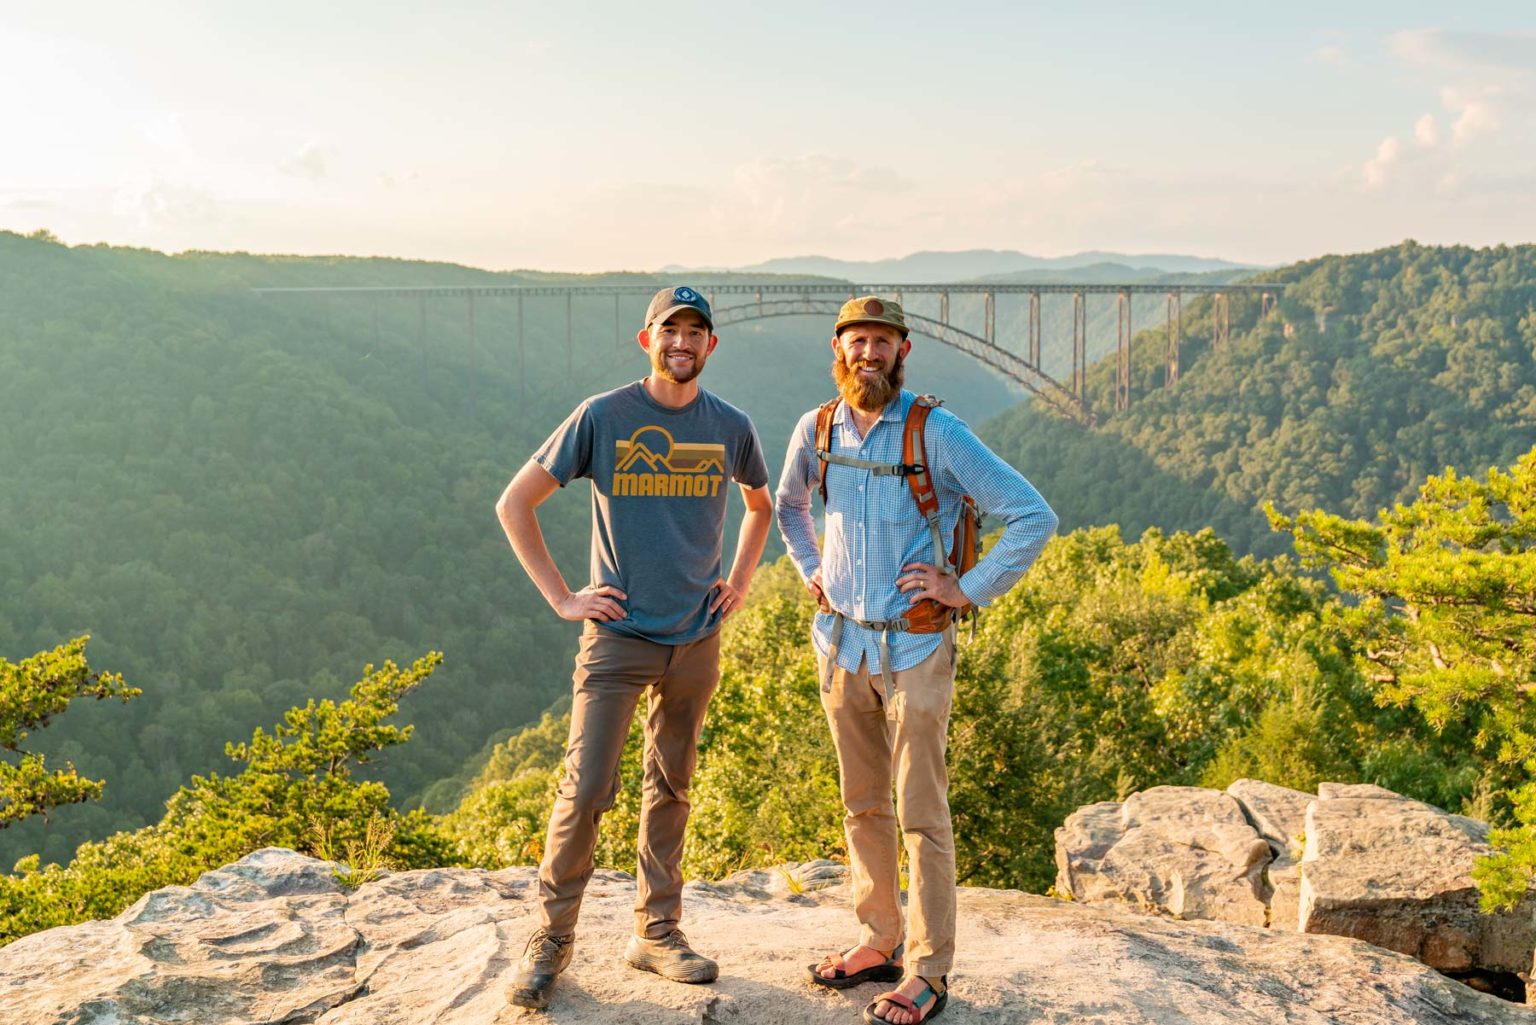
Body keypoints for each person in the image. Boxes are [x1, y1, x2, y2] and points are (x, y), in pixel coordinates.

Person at [775, 296, 1057, 1025]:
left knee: (922, 814)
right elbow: (788, 504)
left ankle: (928, 970)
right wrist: (811, 564)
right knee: (862, 803)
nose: (867, 354)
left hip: (916, 647)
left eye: (881, 342)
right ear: (837, 350)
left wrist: (965, 588)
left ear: (904, 352)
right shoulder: (818, 428)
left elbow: (1033, 514)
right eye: (856, 342)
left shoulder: (938, 432)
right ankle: (878, 938)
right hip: (841, 644)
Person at [496, 285, 772, 1010]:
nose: (681, 343)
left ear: (711, 345)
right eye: (668, 330)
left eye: (695, 332)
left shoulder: (731, 425)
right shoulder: (603, 415)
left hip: (696, 637)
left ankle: (657, 931)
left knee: (672, 786)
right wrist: (564, 597)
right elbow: (514, 501)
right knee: (587, 789)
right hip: (617, 638)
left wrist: (739, 580)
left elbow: (762, 502)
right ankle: (550, 939)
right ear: (644, 339)